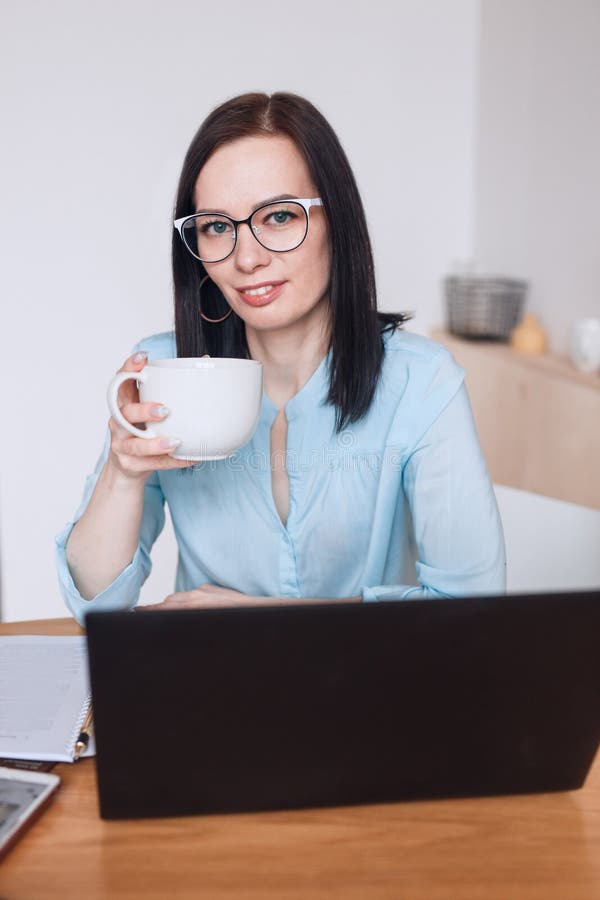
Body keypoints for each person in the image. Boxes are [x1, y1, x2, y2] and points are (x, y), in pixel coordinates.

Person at [56, 92, 506, 624]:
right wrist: (123, 472)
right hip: (209, 689)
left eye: (279, 216)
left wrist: (265, 620)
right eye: (218, 226)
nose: (248, 258)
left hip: (372, 695)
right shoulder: (163, 372)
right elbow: (96, 604)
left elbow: (471, 619)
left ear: (336, 220)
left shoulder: (420, 382)